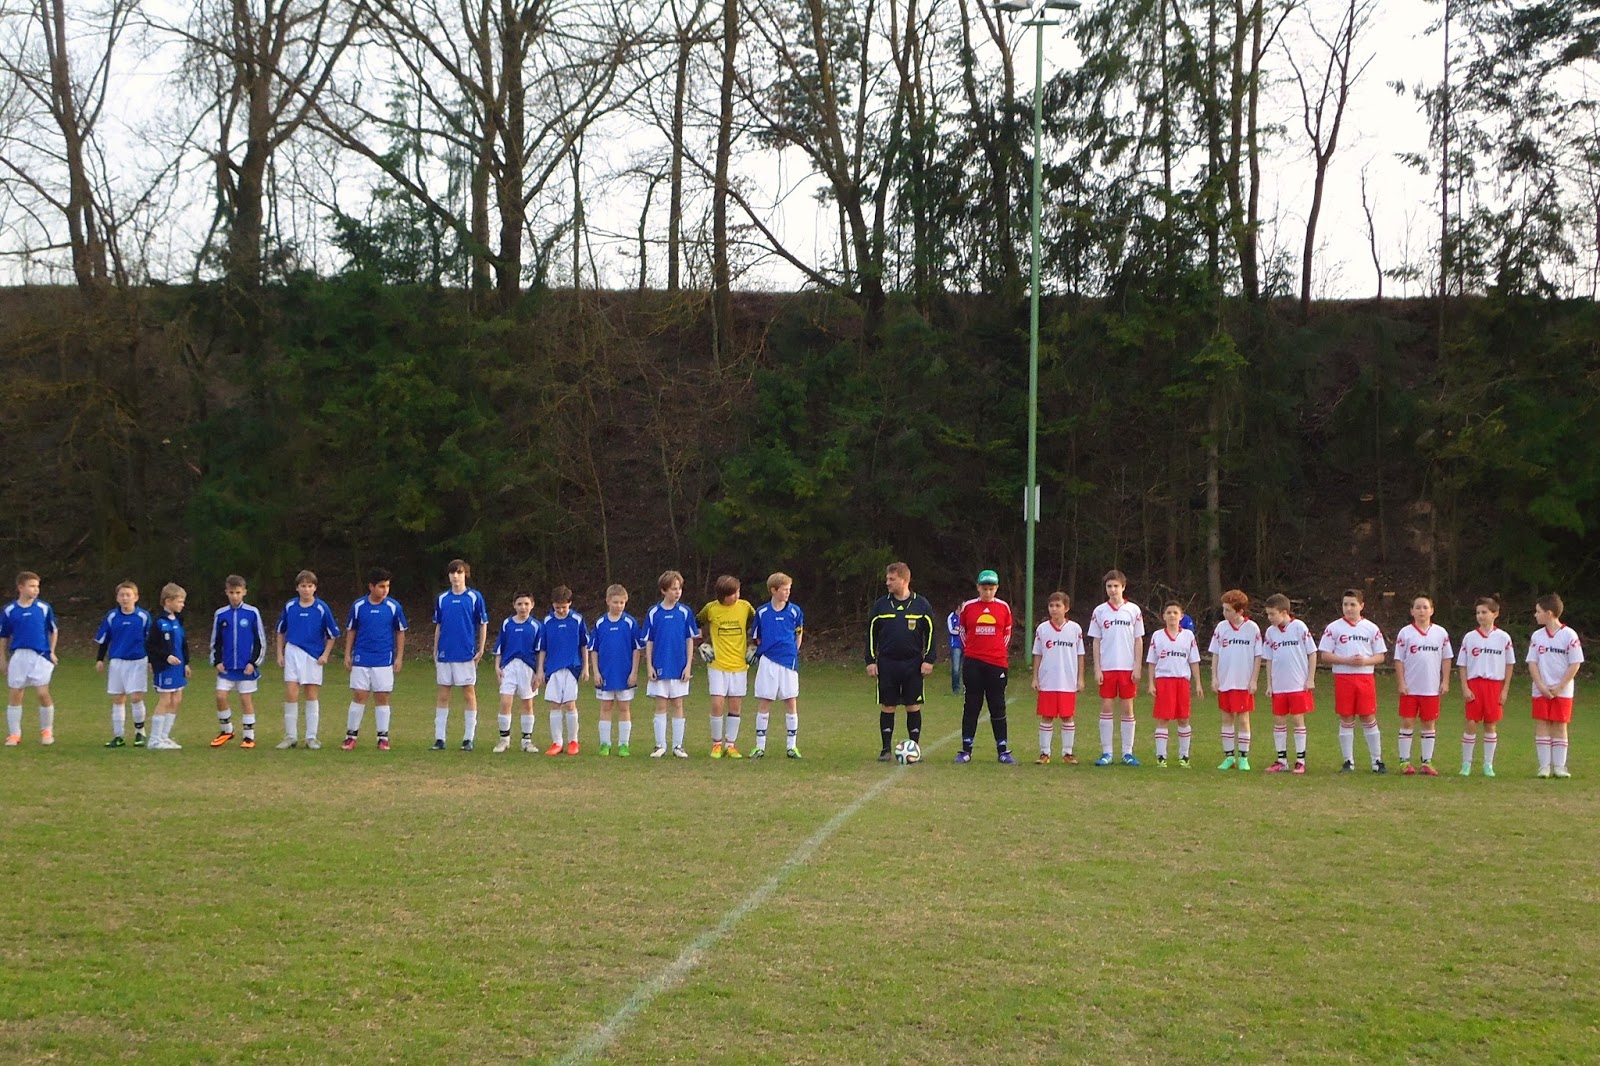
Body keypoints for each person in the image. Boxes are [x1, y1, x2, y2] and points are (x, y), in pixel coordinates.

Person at [865, 562, 936, 761]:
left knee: (913, 705)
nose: (887, 582)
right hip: (887, 663)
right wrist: (870, 660)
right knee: (888, 705)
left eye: (892, 579)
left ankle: (915, 748)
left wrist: (929, 659)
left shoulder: (921, 604)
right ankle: (885, 750)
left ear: (904, 580)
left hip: (913, 664)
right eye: (887, 579)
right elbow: (871, 634)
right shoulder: (881, 605)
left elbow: (931, 633)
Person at [1319, 588, 1388, 774]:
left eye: (1352, 604)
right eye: (1345, 604)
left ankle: (1377, 761)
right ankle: (1348, 761)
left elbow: (1381, 656)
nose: (1348, 608)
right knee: (1346, 717)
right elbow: (1325, 655)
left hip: (1365, 678)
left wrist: (1365, 661)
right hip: (1343, 678)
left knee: (1368, 716)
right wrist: (1346, 661)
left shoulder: (1371, 628)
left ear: (1361, 606)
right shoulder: (1333, 628)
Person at [342, 568, 408, 751]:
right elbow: (351, 630)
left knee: (382, 696)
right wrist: (347, 654)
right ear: (371, 586)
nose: (385, 590)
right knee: (359, 695)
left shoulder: (393, 607)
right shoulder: (358, 606)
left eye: (387, 586)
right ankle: (351, 736)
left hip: (384, 659)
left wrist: (399, 657)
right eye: (381, 586)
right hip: (362, 658)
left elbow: (400, 631)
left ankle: (383, 737)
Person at [275, 570, 341, 750]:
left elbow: (332, 635)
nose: (306, 589)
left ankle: (311, 737)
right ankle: (291, 736)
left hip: (313, 656)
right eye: (303, 586)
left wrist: (325, 655)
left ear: (315, 588)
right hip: (292, 652)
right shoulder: (290, 606)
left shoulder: (321, 608)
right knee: (291, 693)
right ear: (297, 588)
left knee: (311, 694)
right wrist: (280, 654)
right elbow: (280, 631)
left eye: (309, 586)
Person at [956, 569, 1016, 764]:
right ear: (978, 587)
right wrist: (972, 651)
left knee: (997, 705)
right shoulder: (968, 607)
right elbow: (962, 631)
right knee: (972, 705)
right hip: (973, 662)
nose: (987, 592)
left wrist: (996, 652)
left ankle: (1003, 750)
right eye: (984, 588)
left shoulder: (1003, 607)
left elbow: (1006, 633)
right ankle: (966, 750)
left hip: (997, 663)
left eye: (991, 588)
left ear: (996, 588)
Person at [1392, 594, 1452, 776]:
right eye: (1417, 607)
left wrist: (1445, 681)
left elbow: (1446, 658)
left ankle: (1427, 761)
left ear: (1432, 610)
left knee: (1429, 722)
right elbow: (1399, 660)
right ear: (1412, 611)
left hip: (1431, 688)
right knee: (1407, 721)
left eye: (1425, 607)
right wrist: (1401, 682)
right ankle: (1404, 761)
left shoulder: (1440, 633)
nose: (1421, 611)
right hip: (1410, 688)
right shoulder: (1405, 633)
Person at [433, 559, 489, 751]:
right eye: (452, 573)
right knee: (443, 695)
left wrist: (481, 649)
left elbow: (483, 623)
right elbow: (439, 625)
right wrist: (435, 649)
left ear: (466, 574)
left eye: (459, 572)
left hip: (466, 653)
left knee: (469, 693)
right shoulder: (442, 598)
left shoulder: (474, 597)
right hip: (445, 653)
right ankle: (439, 738)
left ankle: (468, 738)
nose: (455, 576)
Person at [1089, 569, 1144, 766]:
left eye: (1116, 586)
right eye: (1109, 586)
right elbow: (1096, 641)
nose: (1112, 590)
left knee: (1128, 708)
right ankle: (1107, 753)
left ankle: (1127, 753)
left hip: (1127, 667)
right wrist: (1097, 668)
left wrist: (1137, 666)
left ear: (1123, 587)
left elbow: (1138, 640)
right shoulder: (1099, 611)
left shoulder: (1133, 610)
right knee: (1106, 707)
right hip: (1107, 667)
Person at [697, 575, 755, 758]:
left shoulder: (745, 607)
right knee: (717, 703)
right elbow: (694, 623)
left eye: (738, 592)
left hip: (739, 665)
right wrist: (701, 643)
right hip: (717, 664)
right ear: (723, 595)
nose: (737, 596)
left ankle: (730, 745)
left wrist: (754, 644)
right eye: (733, 593)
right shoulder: (711, 609)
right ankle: (716, 744)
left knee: (735, 705)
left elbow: (759, 624)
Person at [643, 570, 699, 758]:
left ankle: (678, 746)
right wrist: (649, 666)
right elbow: (649, 641)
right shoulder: (654, 613)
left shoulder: (685, 612)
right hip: (660, 665)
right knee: (661, 705)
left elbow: (689, 640)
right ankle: (660, 745)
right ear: (663, 590)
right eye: (674, 589)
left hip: (679, 666)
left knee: (678, 704)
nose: (677, 592)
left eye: (679, 588)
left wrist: (688, 665)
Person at [1456, 596, 1513, 777]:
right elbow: (1463, 664)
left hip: (1494, 685)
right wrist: (1465, 687)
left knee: (1490, 724)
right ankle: (1466, 764)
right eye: (1478, 613)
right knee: (1471, 723)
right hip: (1475, 684)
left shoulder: (1503, 638)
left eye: (1484, 612)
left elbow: (1509, 664)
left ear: (1495, 614)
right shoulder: (1470, 637)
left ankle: (1488, 764)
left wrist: (1504, 689)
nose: (1480, 616)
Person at [1, 570, 59, 747]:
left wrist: (52, 651)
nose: (36, 590)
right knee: (16, 693)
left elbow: (53, 630)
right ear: (21, 587)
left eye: (37, 586)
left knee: (42, 693)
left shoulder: (43, 608)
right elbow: (3, 636)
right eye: (32, 586)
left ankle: (47, 730)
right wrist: (2, 658)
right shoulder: (10, 610)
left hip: (40, 655)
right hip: (19, 656)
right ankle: (14, 734)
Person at [1527, 593, 1582, 779]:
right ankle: (1544, 767)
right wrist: (1541, 685)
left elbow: (1575, 663)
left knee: (1560, 725)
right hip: (1541, 689)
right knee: (1542, 723)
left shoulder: (1569, 635)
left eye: (1538, 611)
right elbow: (1532, 662)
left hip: (1563, 690)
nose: (1535, 615)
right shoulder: (1537, 636)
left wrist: (1559, 687)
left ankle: (1559, 767)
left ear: (1549, 613)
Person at [751, 572, 805, 758]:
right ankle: (760, 747)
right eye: (784, 589)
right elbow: (757, 637)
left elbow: (799, 632)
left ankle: (792, 746)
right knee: (765, 700)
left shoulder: (795, 611)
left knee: (790, 700)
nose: (788, 592)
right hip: (768, 661)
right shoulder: (762, 612)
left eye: (789, 589)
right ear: (773, 590)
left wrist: (793, 651)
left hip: (788, 661)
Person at [210, 574, 267, 749]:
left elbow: (260, 640)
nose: (235, 596)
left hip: (246, 667)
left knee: (245, 699)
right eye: (231, 592)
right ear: (226, 592)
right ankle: (227, 730)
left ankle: (249, 736)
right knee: (220, 696)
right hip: (227, 667)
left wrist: (254, 663)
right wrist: (217, 661)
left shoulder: (252, 613)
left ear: (244, 592)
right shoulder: (221, 614)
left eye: (238, 592)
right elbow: (216, 640)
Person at [1260, 593, 1315, 774]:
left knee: (1298, 720)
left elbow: (1312, 653)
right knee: (1279, 721)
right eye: (1268, 614)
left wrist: (1310, 678)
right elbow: (1269, 659)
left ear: (1284, 612)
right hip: (1279, 685)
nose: (1269, 618)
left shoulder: (1299, 627)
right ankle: (1281, 760)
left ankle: (1300, 760)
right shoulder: (1271, 632)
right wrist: (1269, 684)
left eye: (1272, 614)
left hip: (1298, 684)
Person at [95, 581, 153, 748]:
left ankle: (140, 732)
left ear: (136, 597)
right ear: (117, 598)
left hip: (138, 661)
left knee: (136, 697)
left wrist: (151, 660)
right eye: (122, 595)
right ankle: (118, 736)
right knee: (118, 697)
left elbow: (150, 641)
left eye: (128, 595)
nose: (125, 598)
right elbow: (104, 639)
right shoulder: (112, 616)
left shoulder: (143, 617)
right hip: (117, 661)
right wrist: (100, 659)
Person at [1209, 589, 1261, 770]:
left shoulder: (1252, 628)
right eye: (1223, 609)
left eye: (1228, 610)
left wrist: (1253, 680)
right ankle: (1229, 757)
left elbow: (1258, 656)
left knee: (1244, 719)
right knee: (1226, 718)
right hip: (1225, 680)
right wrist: (1214, 677)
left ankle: (1244, 757)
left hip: (1243, 682)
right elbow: (1215, 654)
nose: (1224, 613)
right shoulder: (1221, 628)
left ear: (1240, 611)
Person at [1147, 601, 1203, 767]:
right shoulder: (1158, 636)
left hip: (1182, 681)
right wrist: (1151, 683)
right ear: (1163, 616)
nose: (1172, 615)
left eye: (1175, 613)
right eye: (1169, 612)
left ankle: (1184, 756)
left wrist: (1198, 683)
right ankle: (1161, 757)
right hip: (1164, 681)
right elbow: (1152, 661)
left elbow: (1194, 661)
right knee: (1163, 718)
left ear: (1181, 616)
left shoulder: (1188, 636)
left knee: (1183, 718)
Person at [589, 584, 643, 756]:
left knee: (624, 708)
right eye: (615, 602)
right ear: (608, 601)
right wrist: (596, 672)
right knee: (605, 707)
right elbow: (594, 649)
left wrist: (634, 672)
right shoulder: (600, 623)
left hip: (624, 674)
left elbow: (636, 649)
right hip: (605, 673)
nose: (619, 606)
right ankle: (605, 744)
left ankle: (623, 744)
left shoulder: (630, 623)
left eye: (622, 603)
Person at [1031, 591, 1084, 764]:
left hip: (1067, 680)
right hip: (1048, 680)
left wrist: (1080, 678)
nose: (1054, 609)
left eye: (1058, 606)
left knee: (1067, 716)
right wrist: (1035, 677)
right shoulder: (1042, 629)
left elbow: (1080, 655)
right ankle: (1044, 753)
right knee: (1047, 716)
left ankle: (1067, 753)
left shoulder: (1075, 629)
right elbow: (1038, 654)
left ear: (1066, 608)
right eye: (1051, 606)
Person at [538, 586, 589, 755]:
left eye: (564, 607)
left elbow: (584, 645)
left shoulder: (577, 620)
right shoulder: (547, 621)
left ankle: (573, 741)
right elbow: (543, 648)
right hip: (553, 667)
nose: (560, 610)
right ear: (552, 605)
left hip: (572, 667)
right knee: (555, 704)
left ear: (570, 603)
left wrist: (586, 667)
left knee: (569, 703)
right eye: (557, 607)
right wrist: (540, 670)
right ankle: (557, 742)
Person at [493, 593, 541, 753]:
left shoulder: (536, 626)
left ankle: (526, 741)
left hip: (528, 668)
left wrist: (539, 672)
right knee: (505, 701)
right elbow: (500, 647)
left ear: (532, 605)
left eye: (526, 604)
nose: (523, 607)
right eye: (519, 604)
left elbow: (540, 651)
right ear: (514, 605)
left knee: (527, 703)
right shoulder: (507, 624)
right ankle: (504, 739)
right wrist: (497, 667)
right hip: (509, 667)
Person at [145, 583, 191, 750]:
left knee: (177, 698)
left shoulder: (178, 620)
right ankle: (154, 739)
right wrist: (166, 657)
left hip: (178, 667)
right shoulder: (159, 622)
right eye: (180, 601)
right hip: (165, 668)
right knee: (165, 699)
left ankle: (164, 736)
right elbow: (150, 646)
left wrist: (186, 663)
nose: (182, 605)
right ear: (168, 601)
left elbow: (183, 644)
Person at [947, 605, 964, 696]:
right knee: (956, 668)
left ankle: (967, 687)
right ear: (959, 607)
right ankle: (956, 688)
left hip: (966, 645)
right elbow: (951, 630)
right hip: (956, 646)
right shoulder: (951, 617)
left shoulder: (966, 616)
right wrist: (961, 631)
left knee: (966, 668)